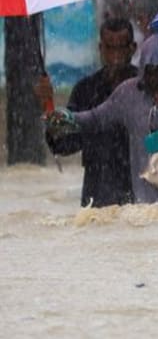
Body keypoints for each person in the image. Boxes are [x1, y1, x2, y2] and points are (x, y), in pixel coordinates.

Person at [47, 34, 158, 204]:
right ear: (143, 70)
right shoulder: (129, 94)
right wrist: (69, 118)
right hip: (142, 199)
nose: (155, 78)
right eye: (150, 71)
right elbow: (97, 118)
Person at [35, 17, 137, 207]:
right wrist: (48, 107)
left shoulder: (143, 87)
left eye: (121, 48)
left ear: (133, 49)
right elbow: (64, 143)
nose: (116, 56)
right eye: (109, 48)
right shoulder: (85, 90)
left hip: (137, 195)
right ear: (100, 49)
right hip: (96, 196)